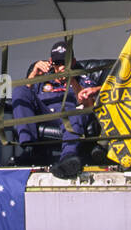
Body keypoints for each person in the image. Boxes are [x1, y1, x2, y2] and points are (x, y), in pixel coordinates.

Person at [10, 41, 100, 180]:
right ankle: (29, 147)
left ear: (73, 62)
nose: (61, 66)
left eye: (66, 62)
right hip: (45, 113)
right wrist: (34, 73)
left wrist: (72, 80)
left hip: (69, 115)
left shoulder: (82, 79)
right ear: (51, 62)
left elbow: (88, 104)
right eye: (58, 63)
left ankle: (67, 160)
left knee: (76, 113)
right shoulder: (42, 79)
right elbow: (24, 95)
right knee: (20, 89)